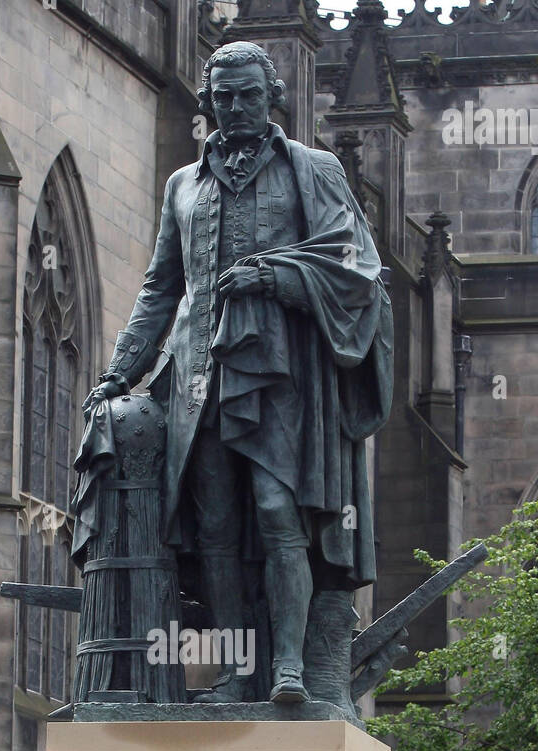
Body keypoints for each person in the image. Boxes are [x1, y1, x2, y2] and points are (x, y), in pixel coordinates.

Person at [82, 40, 392, 710]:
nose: (236, 108)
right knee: (216, 526)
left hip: (284, 375)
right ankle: (232, 673)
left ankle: (288, 669)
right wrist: (117, 373)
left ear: (271, 94)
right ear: (207, 102)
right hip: (198, 373)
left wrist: (277, 275)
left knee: (280, 514)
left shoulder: (313, 170)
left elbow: (354, 264)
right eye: (223, 97)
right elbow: (161, 288)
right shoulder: (182, 186)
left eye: (248, 94)